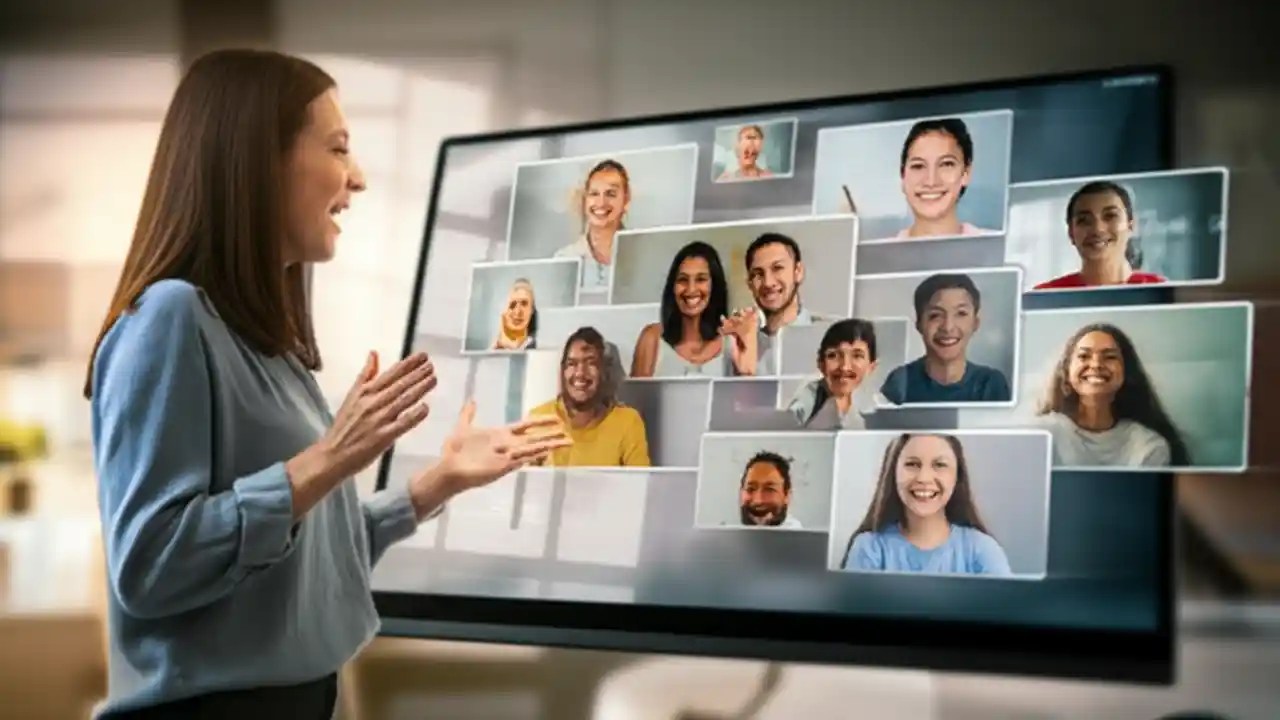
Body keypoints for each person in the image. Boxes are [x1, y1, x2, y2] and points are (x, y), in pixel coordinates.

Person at [81, 49, 570, 719]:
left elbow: (306, 561)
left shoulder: (267, 348)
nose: (359, 178)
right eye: (339, 148)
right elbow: (151, 565)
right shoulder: (170, 318)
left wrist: (438, 483)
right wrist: (328, 458)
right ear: (258, 160)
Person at [840, 433, 1011, 576]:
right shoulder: (869, 548)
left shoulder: (982, 550)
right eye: (912, 464)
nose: (924, 478)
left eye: (939, 465)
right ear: (892, 473)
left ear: (957, 478)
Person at [1034, 323, 1188, 467]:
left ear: (1127, 371)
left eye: (1109, 357)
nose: (1096, 364)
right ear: (1066, 371)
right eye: (1084, 356)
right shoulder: (1040, 434)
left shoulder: (1149, 445)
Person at [879, 272, 1010, 404]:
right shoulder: (901, 381)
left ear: (975, 323)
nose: (948, 327)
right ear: (919, 324)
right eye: (935, 315)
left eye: (961, 313)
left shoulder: (989, 383)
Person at [631, 241, 756, 378]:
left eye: (701, 279)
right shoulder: (652, 338)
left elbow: (746, 398)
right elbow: (634, 398)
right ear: (672, 287)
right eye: (683, 280)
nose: (691, 289)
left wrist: (746, 372)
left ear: (715, 286)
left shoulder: (733, 342)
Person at [530, 326, 651, 467]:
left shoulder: (628, 422)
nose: (580, 373)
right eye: (572, 364)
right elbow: (524, 485)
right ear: (562, 372)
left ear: (604, 372)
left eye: (591, 363)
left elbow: (640, 486)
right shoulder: (538, 420)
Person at [1034, 180, 1167, 290]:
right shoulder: (1045, 296)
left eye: (1110, 216)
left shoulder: (1161, 291)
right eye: (1084, 220)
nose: (1097, 229)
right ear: (1071, 233)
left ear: (1131, 226)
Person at [739, 232, 832, 375]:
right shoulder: (741, 343)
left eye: (777, 268)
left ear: (798, 272)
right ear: (749, 284)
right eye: (758, 274)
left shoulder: (830, 335)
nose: (768, 282)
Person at [893, 117, 997, 240]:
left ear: (965, 173)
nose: (931, 181)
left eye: (946, 164)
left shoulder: (999, 249)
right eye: (918, 166)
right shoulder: (878, 256)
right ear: (903, 176)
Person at [554, 159, 630, 293]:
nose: (601, 203)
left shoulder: (644, 257)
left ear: (626, 200)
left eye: (611, 194)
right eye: (594, 194)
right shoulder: (564, 258)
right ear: (584, 201)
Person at [786, 319, 878, 430]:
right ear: (821, 363)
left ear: (871, 367)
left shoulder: (867, 407)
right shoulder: (808, 400)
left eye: (857, 356)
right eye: (833, 356)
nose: (845, 367)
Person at [737, 450, 801, 528]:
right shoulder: (725, 538)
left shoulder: (803, 540)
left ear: (787, 495)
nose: (758, 501)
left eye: (769, 489)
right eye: (751, 489)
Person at [492, 277, 537, 350]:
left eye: (524, 304)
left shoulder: (538, 350)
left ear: (531, 310)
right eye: (512, 304)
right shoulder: (494, 349)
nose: (518, 312)